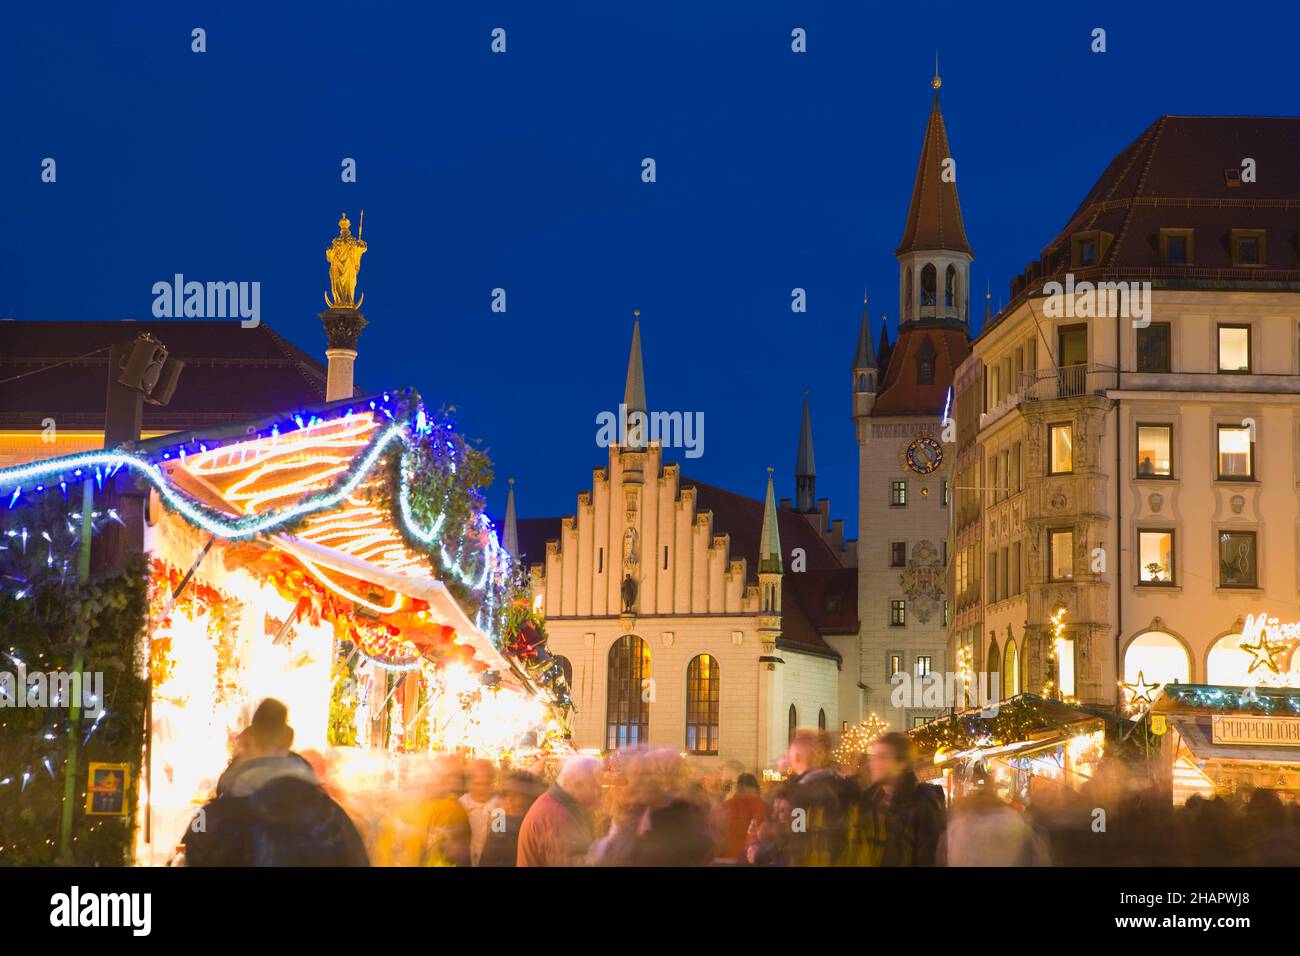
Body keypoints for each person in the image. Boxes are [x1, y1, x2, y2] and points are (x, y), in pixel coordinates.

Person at [183, 698, 368, 866]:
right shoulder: (332, 817)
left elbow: (190, 851)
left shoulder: (213, 817)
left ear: (249, 744)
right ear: (285, 747)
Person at [844, 732, 945, 866]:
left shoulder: (923, 804)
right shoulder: (869, 801)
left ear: (901, 763)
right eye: (873, 757)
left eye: (881, 757)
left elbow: (929, 858)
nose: (873, 763)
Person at [777, 729, 855, 866]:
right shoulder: (844, 786)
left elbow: (797, 833)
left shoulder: (799, 794)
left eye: (789, 755)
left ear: (797, 757)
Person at [517, 756, 600, 866]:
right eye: (594, 786)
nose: (598, 792)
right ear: (577, 785)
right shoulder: (556, 816)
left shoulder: (556, 804)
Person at [480, 772, 542, 867]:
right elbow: (487, 857)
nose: (509, 800)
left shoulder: (537, 824)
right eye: (507, 795)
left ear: (528, 798)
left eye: (515, 795)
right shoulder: (501, 821)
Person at [711, 773, 768, 863]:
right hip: (754, 860)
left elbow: (713, 833)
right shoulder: (766, 808)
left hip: (727, 859)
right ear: (757, 789)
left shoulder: (724, 807)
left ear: (738, 788)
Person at [460, 759, 498, 866]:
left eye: (486, 784)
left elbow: (500, 838)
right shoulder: (461, 806)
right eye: (477, 784)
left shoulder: (498, 808)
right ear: (468, 783)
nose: (482, 788)